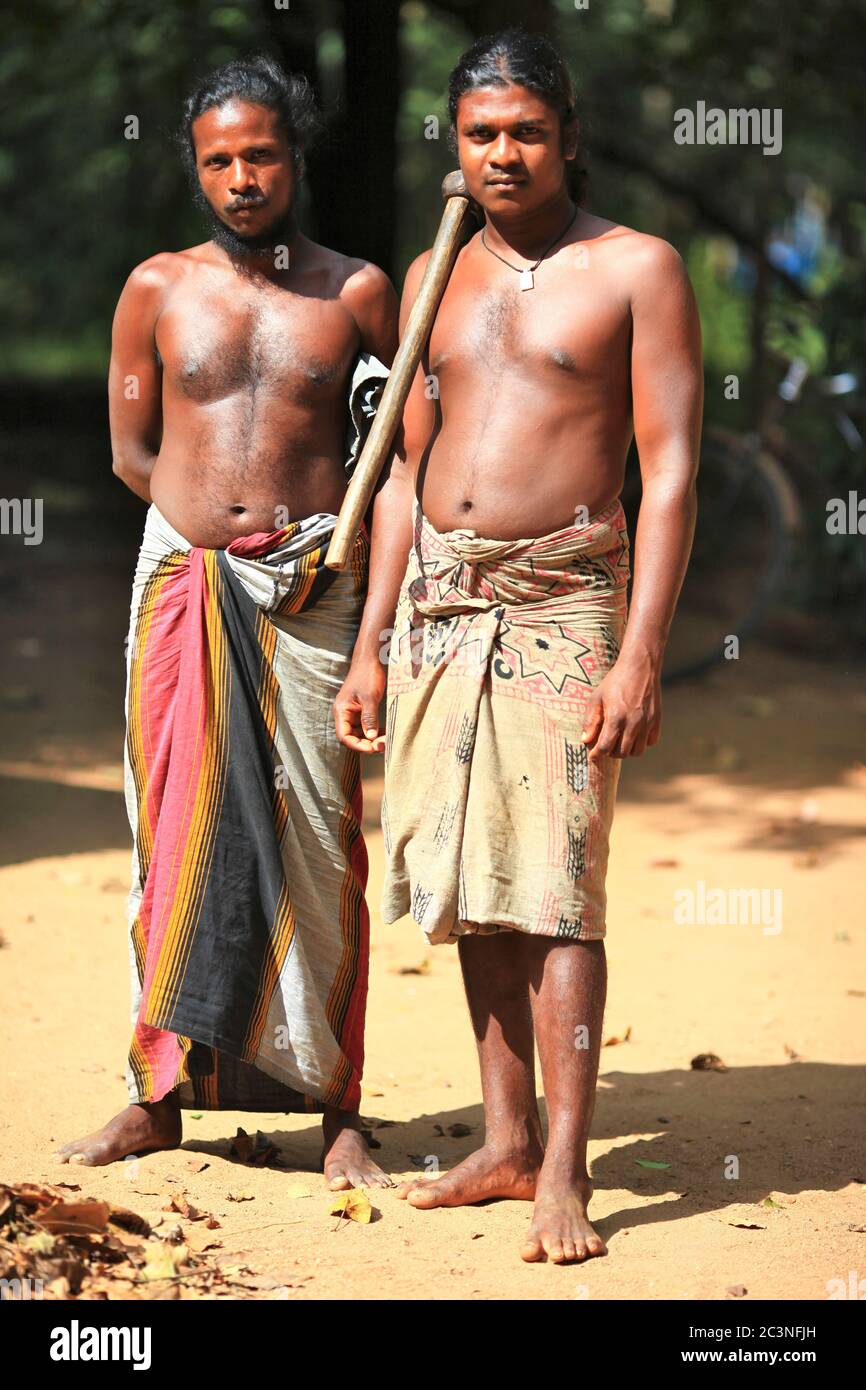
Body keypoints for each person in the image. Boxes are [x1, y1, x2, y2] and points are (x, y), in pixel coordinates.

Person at [335, 29, 702, 1260]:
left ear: (567, 136)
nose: (503, 152)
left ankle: (563, 1170)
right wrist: (374, 638)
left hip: (563, 604)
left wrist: (639, 648)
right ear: (455, 143)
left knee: (555, 891)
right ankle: (498, 1139)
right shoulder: (435, 269)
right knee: (470, 884)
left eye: (526, 131)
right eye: (482, 133)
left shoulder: (636, 269)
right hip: (443, 601)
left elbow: (669, 474)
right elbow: (400, 472)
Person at [54, 56, 398, 1192]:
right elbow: (128, 447)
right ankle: (160, 1095)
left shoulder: (355, 293)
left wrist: (342, 598)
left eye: (261, 155)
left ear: (295, 159)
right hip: (186, 587)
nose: (242, 178)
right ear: (196, 168)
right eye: (220, 160)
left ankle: (334, 1102)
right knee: (174, 837)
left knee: (317, 843)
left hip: (314, 595)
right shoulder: (155, 287)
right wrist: (204, 532)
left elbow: (393, 458)